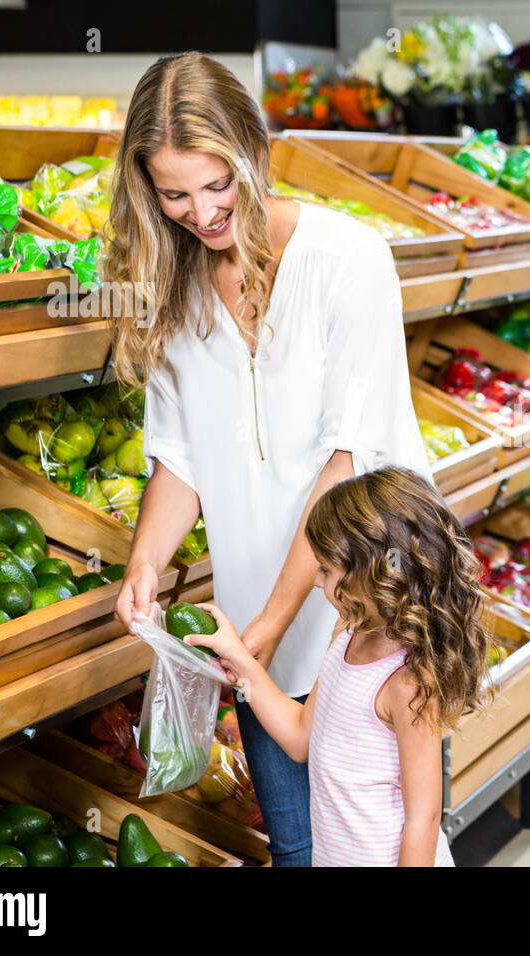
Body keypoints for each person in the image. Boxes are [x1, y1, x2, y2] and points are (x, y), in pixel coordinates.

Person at [104, 51, 431, 866]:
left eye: (218, 183)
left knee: (378, 838)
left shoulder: (348, 262)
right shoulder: (176, 292)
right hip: (257, 618)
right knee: (296, 848)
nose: (202, 212)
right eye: (173, 194)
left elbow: (344, 463)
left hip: (368, 621)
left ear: (252, 150)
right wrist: (146, 561)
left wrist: (267, 634)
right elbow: (180, 455)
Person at [187, 466, 493, 866]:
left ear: (372, 570)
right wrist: (240, 660)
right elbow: (301, 738)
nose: (316, 580)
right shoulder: (345, 634)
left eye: (326, 569)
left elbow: (424, 818)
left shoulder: (408, 682)